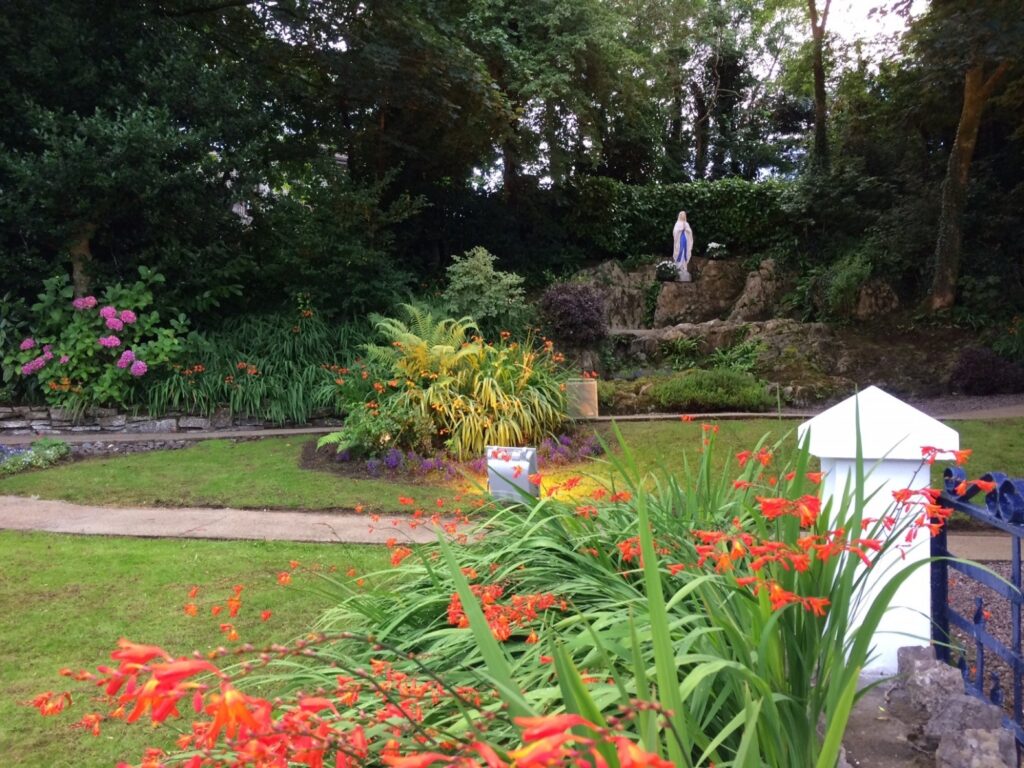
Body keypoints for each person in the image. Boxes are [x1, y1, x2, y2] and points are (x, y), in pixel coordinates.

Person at [672, 211, 694, 281]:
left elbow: (690, 232)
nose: (683, 216)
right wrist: (680, 229)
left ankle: (684, 267)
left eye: (684, 215)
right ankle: (678, 266)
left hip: (685, 239)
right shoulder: (677, 223)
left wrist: (686, 229)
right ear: (679, 215)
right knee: (680, 251)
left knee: (684, 251)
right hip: (679, 239)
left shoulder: (686, 223)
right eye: (682, 215)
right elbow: (675, 232)